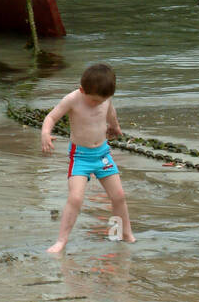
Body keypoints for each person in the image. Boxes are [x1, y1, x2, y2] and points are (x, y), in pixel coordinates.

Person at [41, 62, 135, 253]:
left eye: (102, 101)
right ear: (82, 90)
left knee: (119, 196)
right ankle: (61, 241)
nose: (98, 104)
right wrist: (45, 133)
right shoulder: (72, 99)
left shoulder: (104, 99)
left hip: (102, 155)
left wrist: (115, 126)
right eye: (94, 101)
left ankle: (125, 233)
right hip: (80, 157)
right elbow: (51, 117)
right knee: (75, 198)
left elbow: (110, 112)